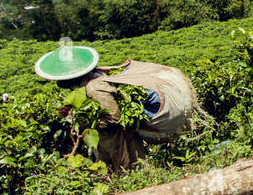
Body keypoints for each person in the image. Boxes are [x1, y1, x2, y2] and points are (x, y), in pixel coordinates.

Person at [33, 43, 207, 171]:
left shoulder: (95, 87)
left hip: (117, 139)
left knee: (126, 169)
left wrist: (88, 122)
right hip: (111, 139)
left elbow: (113, 116)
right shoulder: (94, 79)